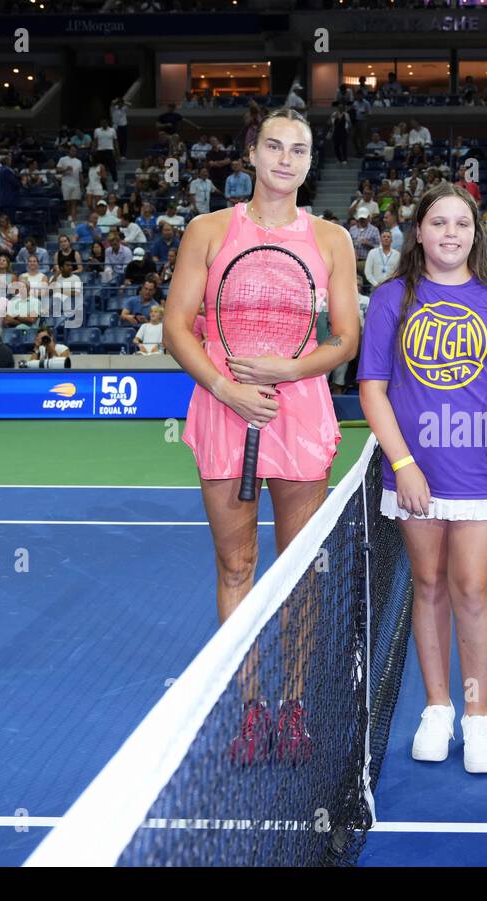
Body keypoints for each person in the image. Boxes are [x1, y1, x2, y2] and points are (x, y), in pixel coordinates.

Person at [163, 108, 360, 762]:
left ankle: (294, 703)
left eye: (298, 149)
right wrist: (228, 389)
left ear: (310, 162)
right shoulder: (207, 231)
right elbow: (177, 328)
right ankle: (248, 706)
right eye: (273, 145)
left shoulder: (332, 238)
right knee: (236, 565)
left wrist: (289, 369)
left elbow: (346, 339)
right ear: (252, 153)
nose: (284, 158)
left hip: (298, 410)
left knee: (297, 573)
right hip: (225, 409)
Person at [358, 182, 487, 775]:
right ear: (419, 233)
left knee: (471, 590)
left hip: (484, 470)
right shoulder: (391, 298)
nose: (451, 233)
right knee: (427, 586)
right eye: (439, 223)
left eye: (462, 223)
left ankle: (477, 715)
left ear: (476, 234)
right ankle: (437, 708)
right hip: (416, 475)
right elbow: (372, 389)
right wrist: (402, 465)